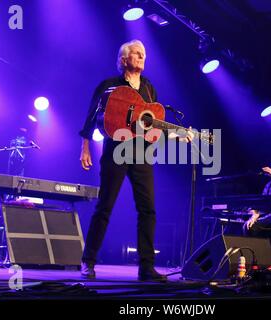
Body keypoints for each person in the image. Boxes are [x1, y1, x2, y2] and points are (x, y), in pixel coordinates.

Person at [79, 39, 193, 281]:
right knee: (105, 207)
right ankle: (87, 261)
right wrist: (86, 147)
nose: (142, 57)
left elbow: (152, 126)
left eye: (144, 54)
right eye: (136, 53)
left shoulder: (149, 88)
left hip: (141, 153)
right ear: (124, 59)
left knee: (148, 209)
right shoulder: (109, 86)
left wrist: (179, 135)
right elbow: (91, 116)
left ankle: (146, 267)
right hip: (115, 150)